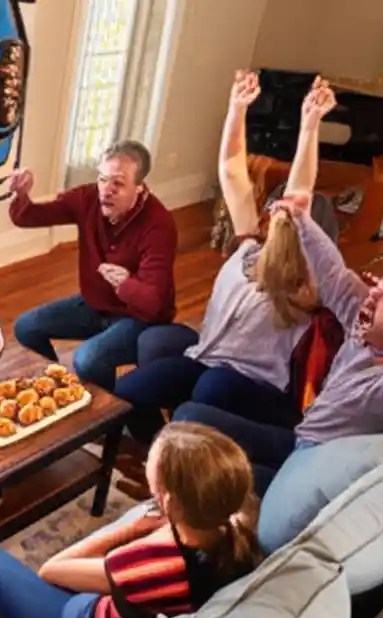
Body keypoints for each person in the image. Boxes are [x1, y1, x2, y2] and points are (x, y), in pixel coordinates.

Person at [174, 198, 383, 551]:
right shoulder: (366, 332)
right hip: (300, 433)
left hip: (301, 467)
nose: (375, 291)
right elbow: (334, 276)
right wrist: (301, 217)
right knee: (189, 419)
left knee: (191, 440)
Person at [112, 74, 336, 445]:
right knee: (127, 393)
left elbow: (300, 192)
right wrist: (237, 108)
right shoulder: (249, 246)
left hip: (257, 385)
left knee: (210, 388)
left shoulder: (312, 282)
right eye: (273, 208)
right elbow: (232, 170)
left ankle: (191, 459)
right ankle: (156, 455)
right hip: (206, 360)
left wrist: (310, 125)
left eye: (288, 213)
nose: (275, 213)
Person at [0, 422, 262, 618]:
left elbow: (52, 569)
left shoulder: (151, 562)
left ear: (169, 503)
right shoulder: (239, 533)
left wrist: (130, 529)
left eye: (150, 468)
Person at [8, 141, 178, 389]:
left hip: (139, 318)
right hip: (96, 306)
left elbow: (153, 303)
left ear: (140, 189)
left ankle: (108, 416)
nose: (106, 190)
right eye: (102, 179)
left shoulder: (159, 224)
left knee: (88, 359)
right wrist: (21, 195)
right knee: (26, 327)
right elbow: (28, 217)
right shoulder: (88, 198)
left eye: (118, 183)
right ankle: (57, 390)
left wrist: (126, 284)